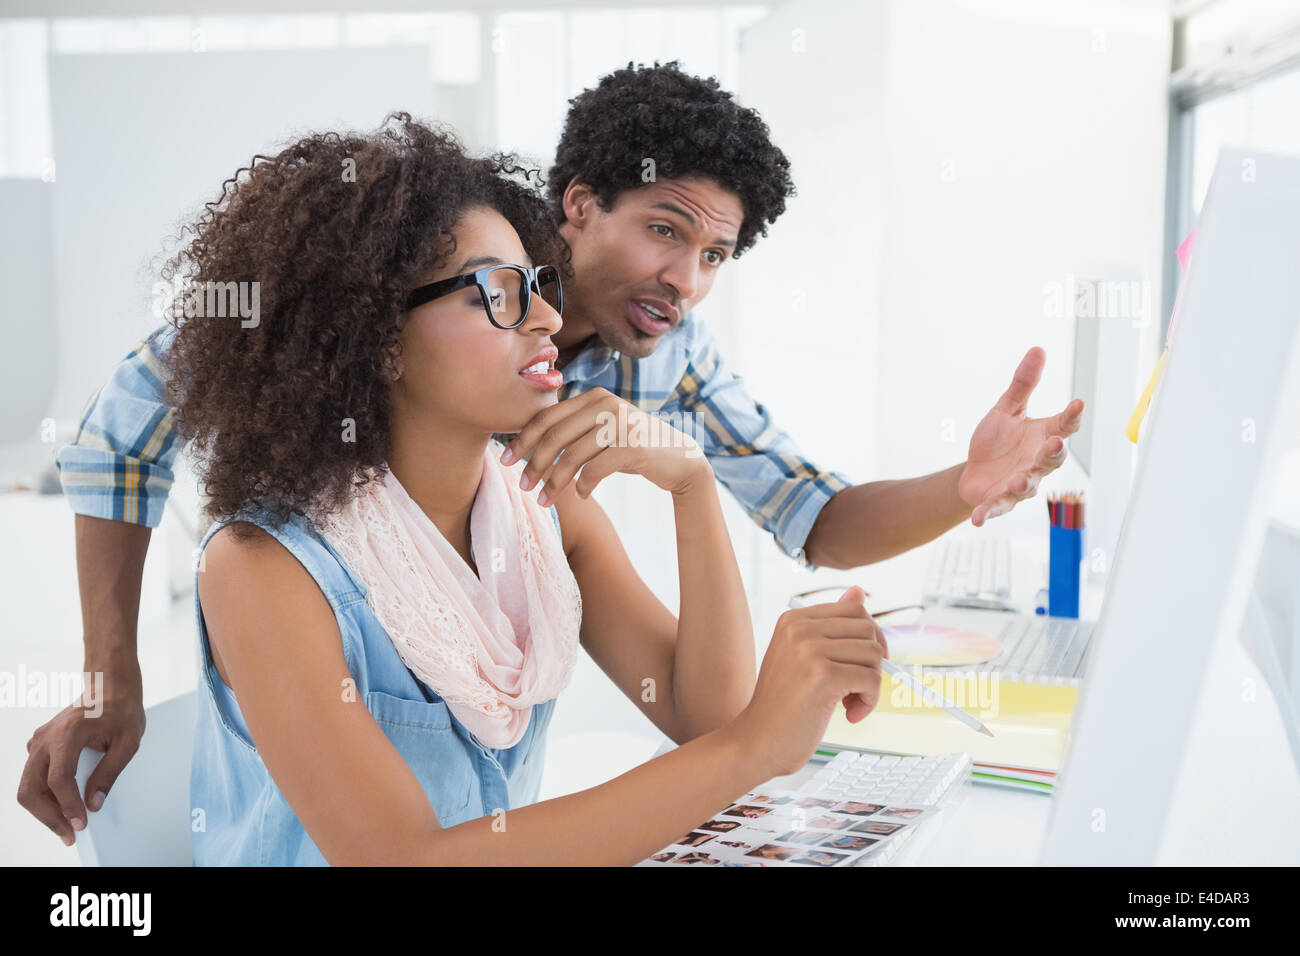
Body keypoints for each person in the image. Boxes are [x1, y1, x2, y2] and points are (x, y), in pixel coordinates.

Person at [20, 63, 1081, 843]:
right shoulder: (274, 549)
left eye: (714, 254)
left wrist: (702, 479)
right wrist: (108, 669)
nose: (688, 279)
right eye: (667, 232)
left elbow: (801, 539)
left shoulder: (558, 480)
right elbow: (121, 437)